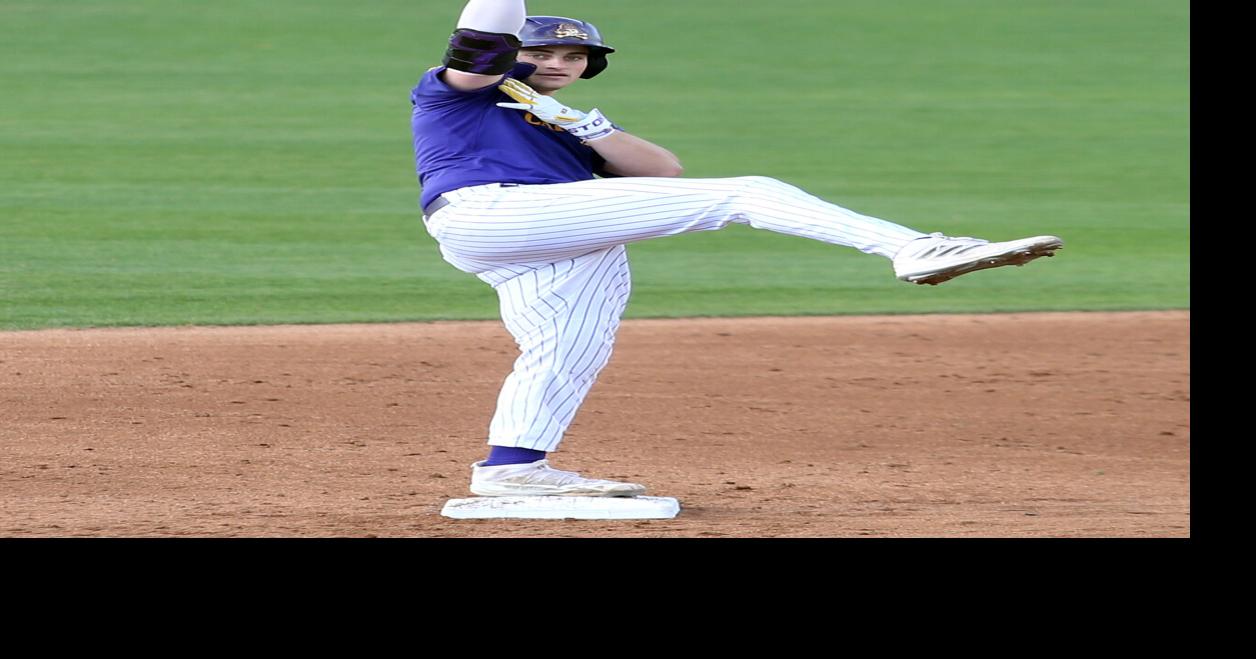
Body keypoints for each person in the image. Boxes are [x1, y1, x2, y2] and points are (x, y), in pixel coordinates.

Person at [409, 0, 1063, 498]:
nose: (559, 65)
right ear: (511, 52)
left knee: (574, 336)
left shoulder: (560, 120)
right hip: (489, 210)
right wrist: (504, 55)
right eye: (544, 52)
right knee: (745, 191)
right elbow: (482, 41)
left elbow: (662, 170)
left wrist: (590, 128)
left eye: (575, 58)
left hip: (542, 230)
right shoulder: (458, 92)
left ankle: (515, 468)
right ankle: (910, 247)